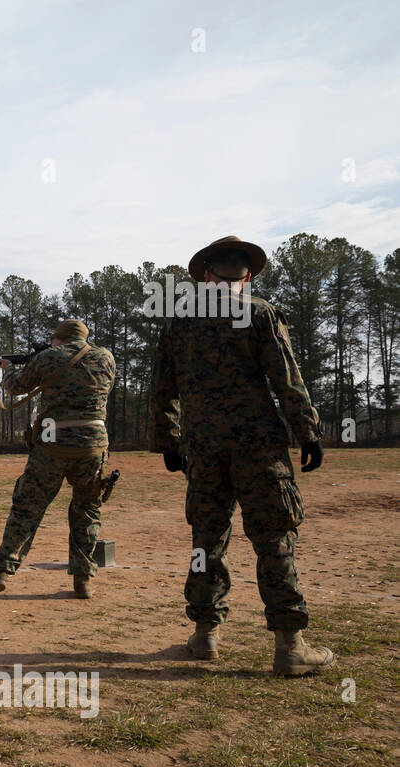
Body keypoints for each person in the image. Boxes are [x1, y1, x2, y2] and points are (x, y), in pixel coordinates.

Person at [150, 235, 333, 676]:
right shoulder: (260, 313)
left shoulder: (177, 320)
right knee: (274, 539)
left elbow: (162, 388)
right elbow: (286, 377)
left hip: (202, 449)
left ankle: (205, 635)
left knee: (206, 541)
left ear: (207, 274)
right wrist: (307, 431)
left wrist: (168, 442)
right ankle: (290, 646)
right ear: (247, 276)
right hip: (259, 448)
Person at [0, 319, 116, 599]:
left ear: (58, 339)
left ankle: (1, 571)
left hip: (53, 444)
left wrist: (9, 368)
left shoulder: (50, 357)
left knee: (27, 508)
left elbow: (16, 387)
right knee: (87, 509)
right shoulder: (106, 358)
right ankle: (83, 577)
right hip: (93, 445)